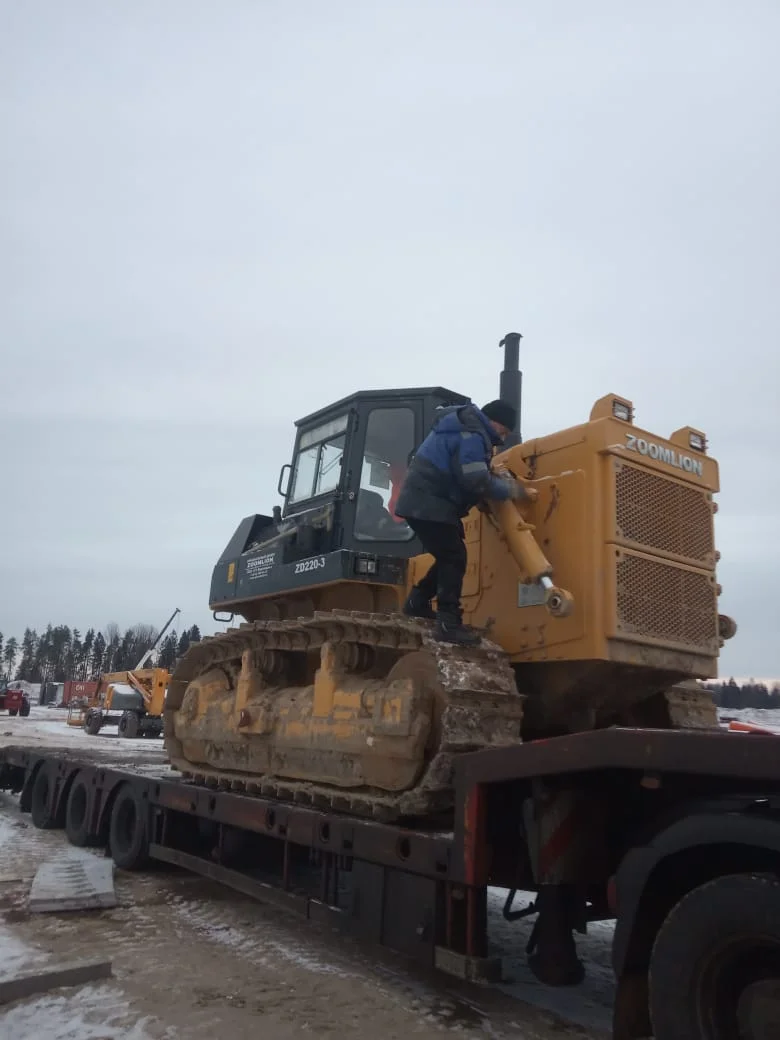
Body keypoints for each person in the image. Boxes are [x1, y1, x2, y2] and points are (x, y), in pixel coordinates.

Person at [394, 399, 537, 645]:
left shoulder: (465, 428)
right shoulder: (472, 434)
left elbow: (467, 477)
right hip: (427, 502)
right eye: (503, 430)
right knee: (455, 556)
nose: (503, 436)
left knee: (450, 554)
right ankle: (448, 624)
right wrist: (512, 491)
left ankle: (417, 602)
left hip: (426, 502)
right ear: (495, 421)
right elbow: (475, 479)